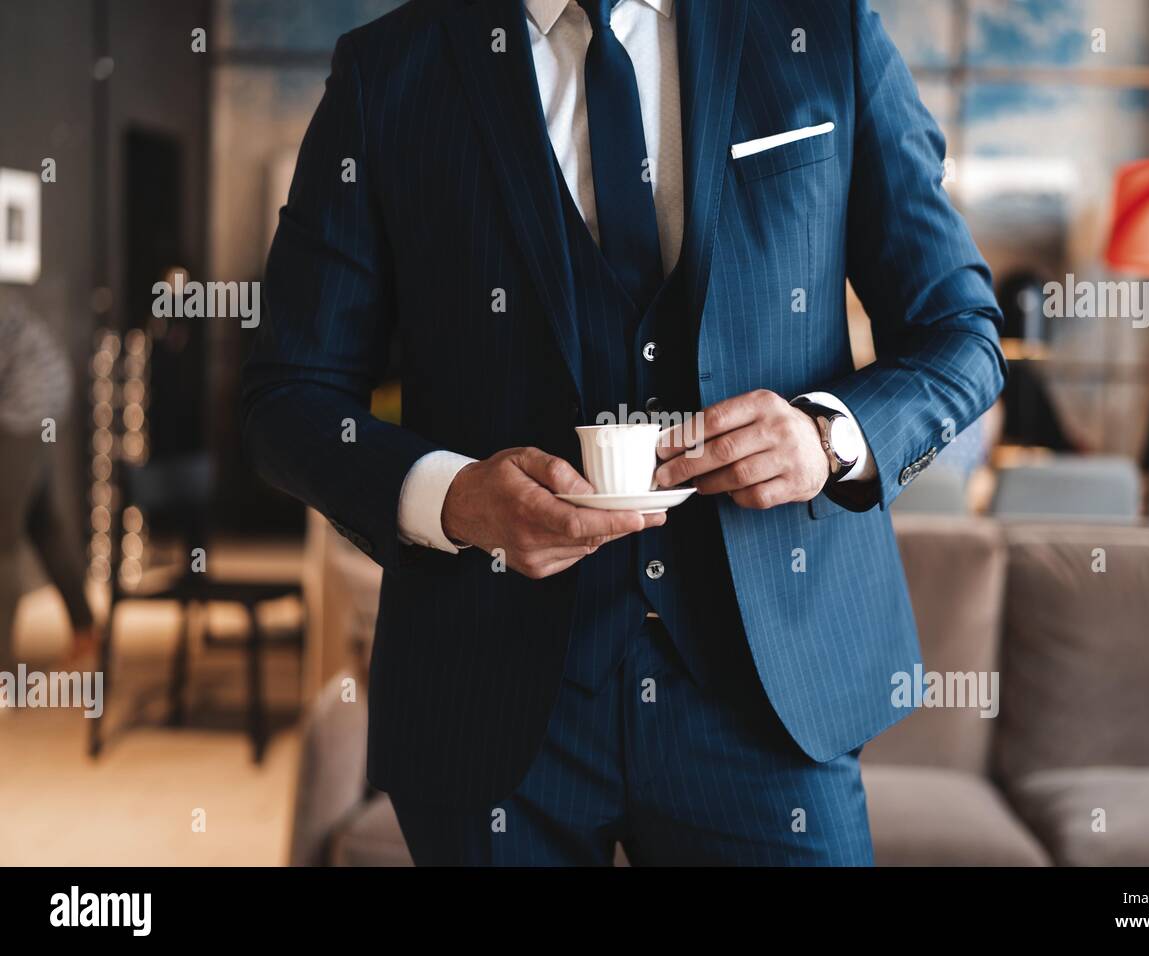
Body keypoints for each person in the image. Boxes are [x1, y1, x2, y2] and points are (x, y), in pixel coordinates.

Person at [243, 0, 1004, 864]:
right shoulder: (388, 71)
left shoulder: (823, 29)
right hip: (487, 704)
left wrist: (827, 440)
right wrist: (454, 501)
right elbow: (290, 397)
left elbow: (961, 330)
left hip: (768, 704)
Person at [0, 305, 97, 709]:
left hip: (25, 407)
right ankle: (86, 627)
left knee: (2, 540)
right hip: (43, 404)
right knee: (43, 523)